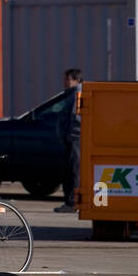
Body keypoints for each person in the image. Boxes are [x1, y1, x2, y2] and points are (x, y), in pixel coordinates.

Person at [55, 68, 83, 213]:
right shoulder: (72, 94)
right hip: (72, 140)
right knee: (71, 171)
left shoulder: (77, 95)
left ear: (76, 80)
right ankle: (71, 202)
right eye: (65, 79)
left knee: (72, 172)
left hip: (74, 141)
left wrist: (71, 138)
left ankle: (72, 203)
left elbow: (77, 119)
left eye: (68, 79)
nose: (65, 82)